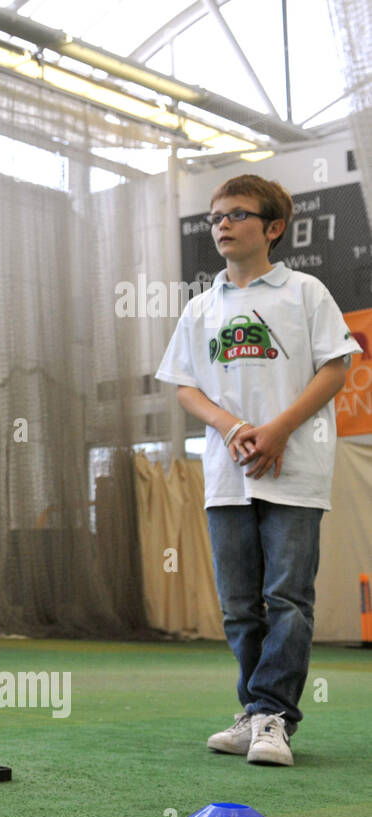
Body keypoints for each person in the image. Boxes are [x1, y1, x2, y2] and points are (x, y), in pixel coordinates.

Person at [155, 174, 362, 766]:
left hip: (295, 469)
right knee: (239, 605)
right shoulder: (201, 306)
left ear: (272, 228)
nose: (222, 223)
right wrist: (230, 427)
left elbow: (335, 368)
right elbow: (186, 388)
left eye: (238, 214)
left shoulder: (304, 292)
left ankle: (275, 716)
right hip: (226, 475)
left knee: (287, 598)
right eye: (216, 216)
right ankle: (252, 713)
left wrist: (277, 431)